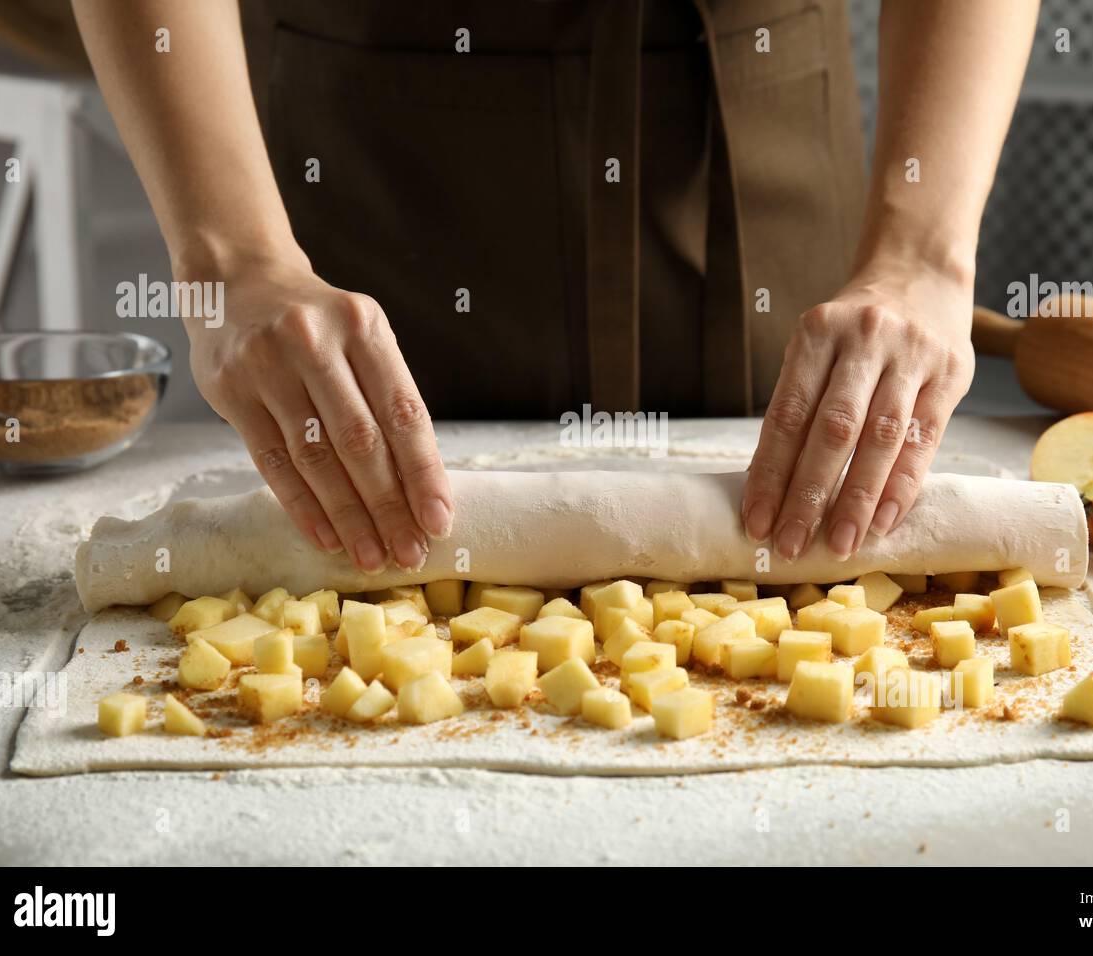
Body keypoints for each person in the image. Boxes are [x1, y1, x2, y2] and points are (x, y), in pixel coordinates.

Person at [72, 0, 1037, 573]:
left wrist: (923, 254)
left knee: (810, 503)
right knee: (352, 494)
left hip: (748, 132)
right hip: (367, 145)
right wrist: (232, 258)